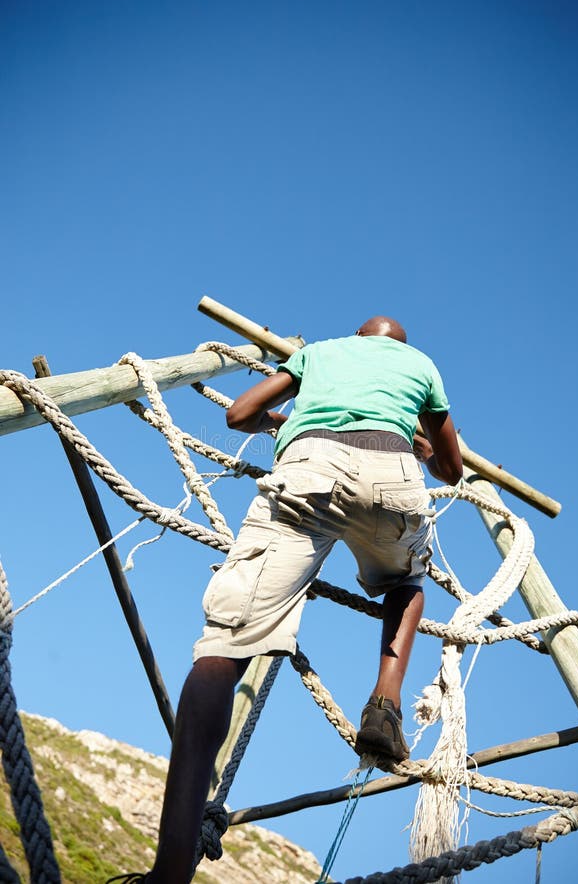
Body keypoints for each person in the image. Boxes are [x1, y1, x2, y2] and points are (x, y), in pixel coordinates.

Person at [107, 316, 463, 884]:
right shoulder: (421, 366)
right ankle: (385, 703)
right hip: (392, 472)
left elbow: (238, 415)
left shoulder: (319, 352)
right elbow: (453, 469)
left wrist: (282, 421)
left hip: (307, 469)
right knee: (408, 580)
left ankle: (168, 870)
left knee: (222, 650)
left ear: (357, 337)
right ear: (400, 346)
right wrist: (423, 449)